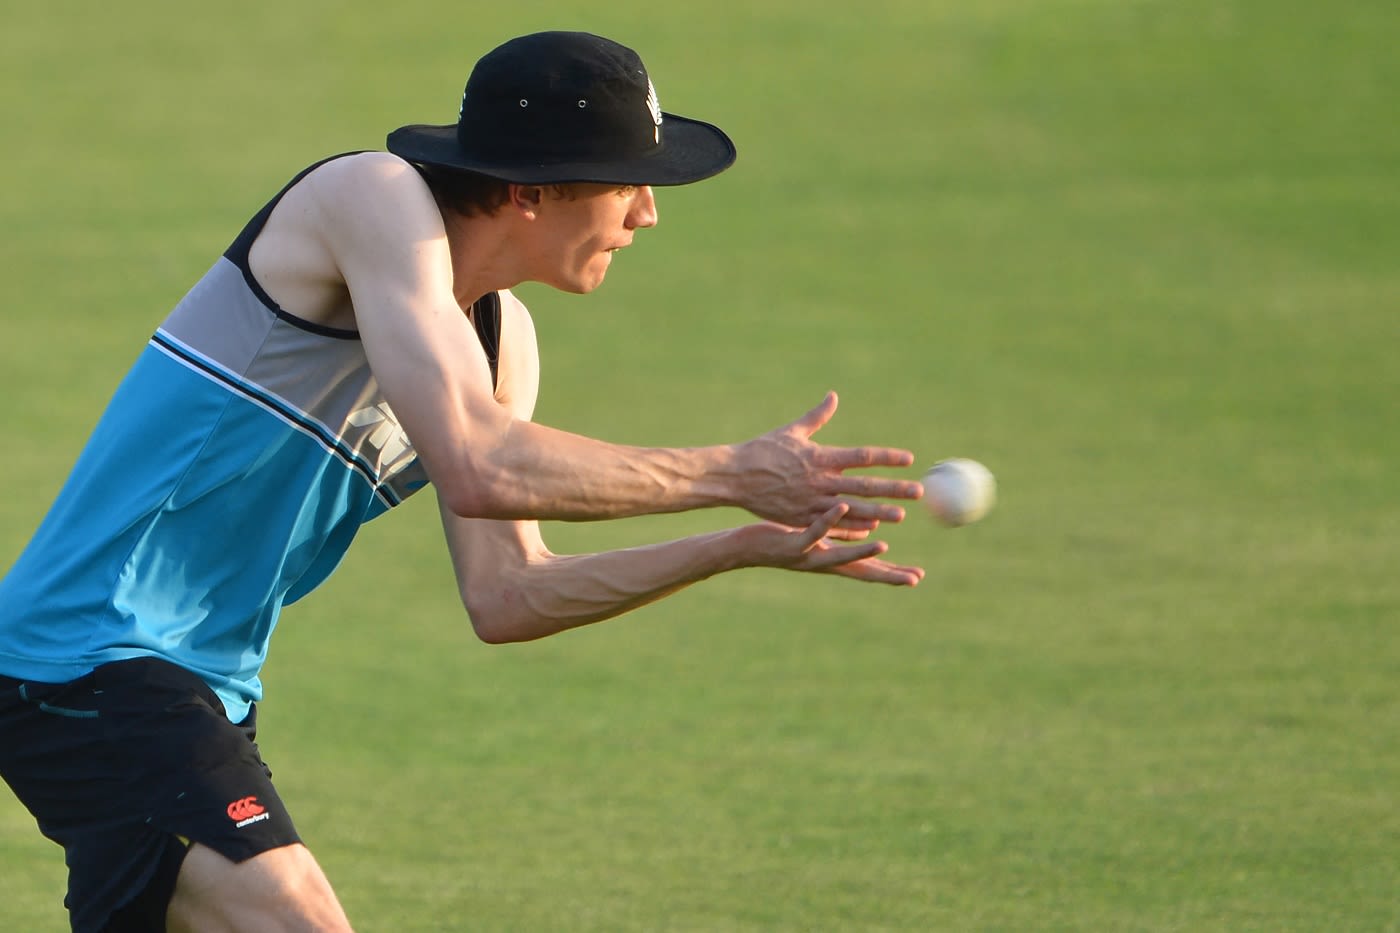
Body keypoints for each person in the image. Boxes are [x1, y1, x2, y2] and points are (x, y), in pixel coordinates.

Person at [0, 31, 924, 932]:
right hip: (89, 656)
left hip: (203, 692)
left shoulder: (501, 338)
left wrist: (734, 545)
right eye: (626, 183)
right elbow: (478, 463)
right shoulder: (366, 196)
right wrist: (730, 472)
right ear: (530, 187)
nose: (648, 214)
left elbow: (509, 593)